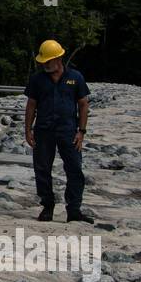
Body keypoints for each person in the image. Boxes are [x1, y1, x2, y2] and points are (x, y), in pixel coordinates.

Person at [24, 39, 94, 224]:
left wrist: (82, 131)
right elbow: (31, 105)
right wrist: (27, 130)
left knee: (74, 170)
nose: (45, 64)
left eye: (48, 61)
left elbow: (83, 104)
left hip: (68, 131)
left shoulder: (75, 77)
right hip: (44, 131)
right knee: (42, 169)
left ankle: (74, 210)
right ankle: (47, 206)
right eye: (43, 61)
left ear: (58, 59)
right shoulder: (37, 80)